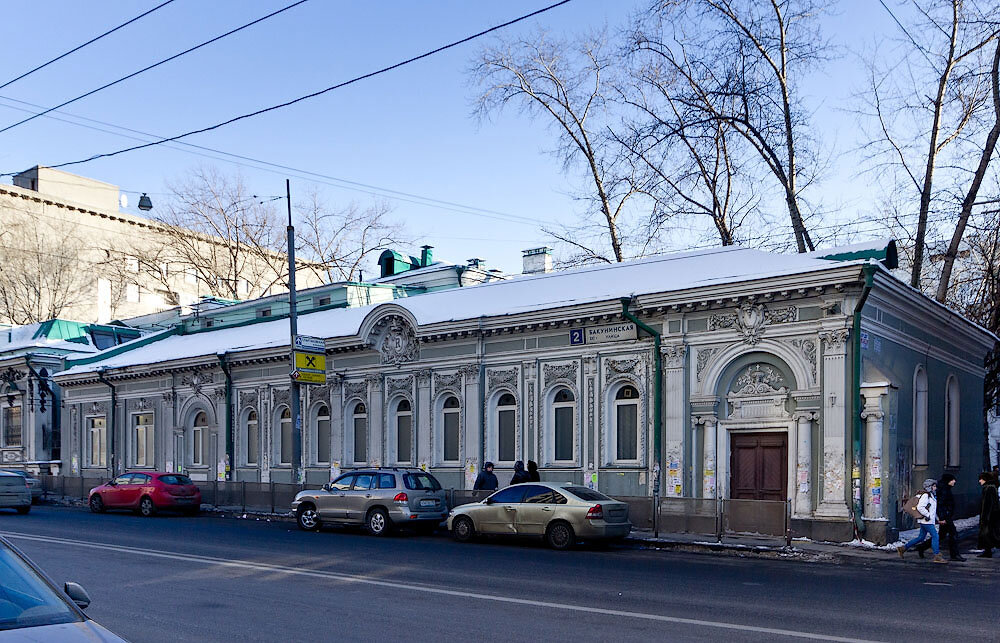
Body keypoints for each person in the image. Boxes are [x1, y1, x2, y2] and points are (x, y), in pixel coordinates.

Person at [897, 478, 947, 564]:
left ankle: (903, 548)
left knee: (921, 537)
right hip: (926, 521)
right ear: (929, 487)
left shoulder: (931, 495)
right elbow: (920, 507)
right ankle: (937, 556)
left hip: (926, 521)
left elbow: (932, 509)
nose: (935, 487)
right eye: (933, 486)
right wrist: (927, 515)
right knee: (935, 536)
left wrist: (937, 519)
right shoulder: (926, 495)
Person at [916, 473, 963, 561]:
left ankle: (922, 547)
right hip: (945, 515)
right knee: (953, 534)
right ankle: (955, 555)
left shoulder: (944, 488)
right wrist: (942, 518)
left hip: (945, 515)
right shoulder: (944, 490)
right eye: (953, 480)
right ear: (948, 480)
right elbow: (940, 505)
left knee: (941, 535)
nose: (954, 481)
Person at [977, 471, 1000, 558]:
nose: (980, 481)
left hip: (988, 517)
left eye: (981, 479)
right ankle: (987, 551)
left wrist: (985, 517)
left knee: (987, 534)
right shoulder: (991, 487)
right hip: (991, 516)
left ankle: (987, 551)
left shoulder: (989, 488)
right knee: (989, 534)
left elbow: (988, 504)